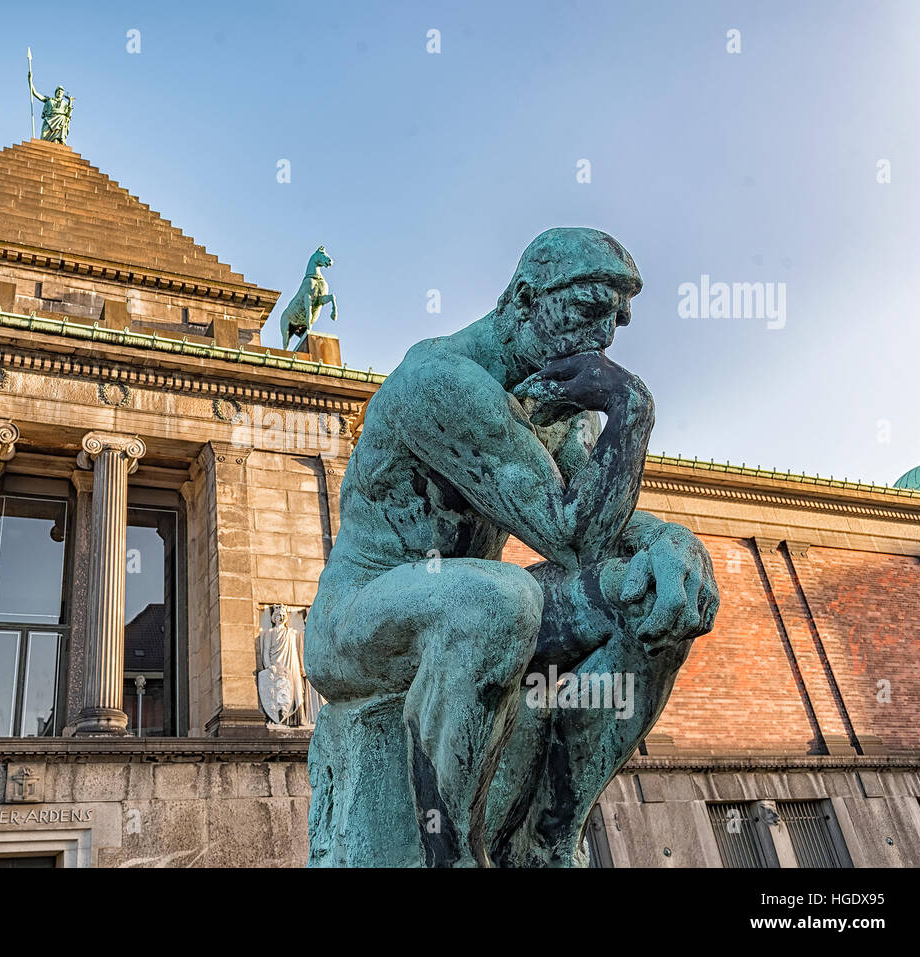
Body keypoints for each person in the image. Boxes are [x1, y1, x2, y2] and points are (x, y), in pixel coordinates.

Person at [305, 227, 719, 866]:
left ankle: (547, 844)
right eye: (588, 311)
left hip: (477, 608)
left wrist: (672, 543)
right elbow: (569, 533)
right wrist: (632, 410)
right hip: (358, 622)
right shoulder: (442, 381)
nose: (604, 338)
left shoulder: (554, 402)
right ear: (525, 299)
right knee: (500, 599)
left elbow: (600, 524)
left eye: (617, 321)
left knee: (649, 596)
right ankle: (448, 854)